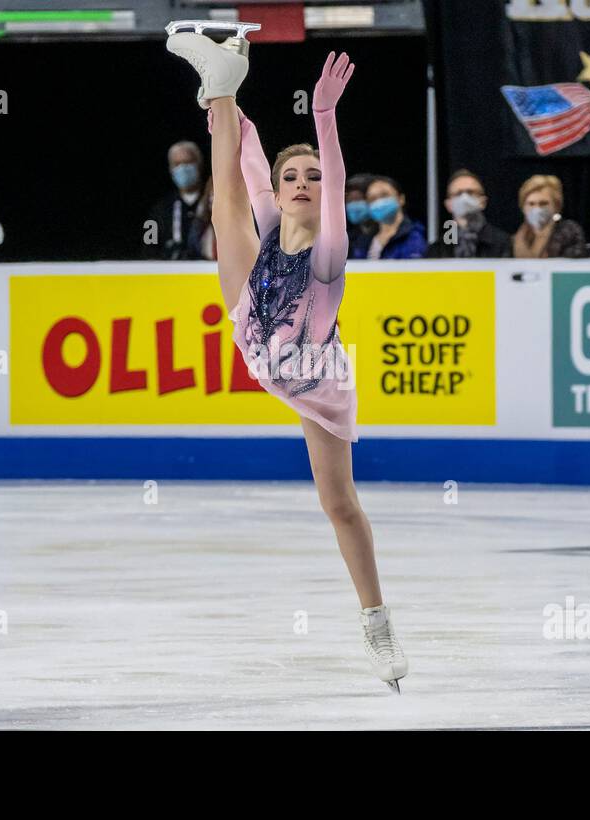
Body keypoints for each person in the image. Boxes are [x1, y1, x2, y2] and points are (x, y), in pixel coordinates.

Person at [166, 26, 408, 691]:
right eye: (291, 175)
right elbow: (247, 158)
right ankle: (220, 81)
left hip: (317, 379)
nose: (303, 182)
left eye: (314, 176)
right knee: (226, 205)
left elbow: (324, 183)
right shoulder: (270, 221)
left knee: (339, 504)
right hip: (255, 327)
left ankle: (377, 622)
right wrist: (233, 107)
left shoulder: (330, 254)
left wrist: (325, 119)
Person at [145, 140, 211, 260]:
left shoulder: (213, 203)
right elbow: (149, 246)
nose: (183, 168)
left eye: (188, 162)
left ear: (199, 164)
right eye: (177, 164)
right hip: (171, 273)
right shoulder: (159, 210)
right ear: (171, 170)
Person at [427, 169, 513, 258]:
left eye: (470, 192)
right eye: (458, 194)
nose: (464, 198)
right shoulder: (438, 249)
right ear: (449, 205)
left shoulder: (502, 243)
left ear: (483, 202)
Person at [351, 175, 427, 260]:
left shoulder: (415, 236)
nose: (378, 202)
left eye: (384, 195)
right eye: (372, 198)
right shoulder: (363, 240)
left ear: (401, 199)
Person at [511, 175, 587, 259]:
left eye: (543, 203)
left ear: (556, 206)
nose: (537, 209)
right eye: (531, 204)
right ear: (523, 207)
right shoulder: (517, 236)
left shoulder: (570, 231)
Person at [344, 172, 376, 253]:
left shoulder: (388, 235)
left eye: (359, 199)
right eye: (349, 200)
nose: (353, 205)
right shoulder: (348, 237)